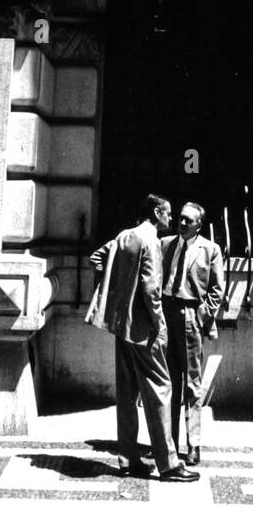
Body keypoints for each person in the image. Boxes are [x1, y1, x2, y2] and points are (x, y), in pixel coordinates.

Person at [87, 195, 199, 482]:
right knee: (161, 390)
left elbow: (97, 258)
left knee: (126, 396)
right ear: (156, 212)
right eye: (168, 213)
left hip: (122, 327)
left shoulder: (125, 235)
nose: (171, 219)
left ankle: (128, 460)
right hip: (144, 330)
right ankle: (170, 465)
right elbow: (151, 291)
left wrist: (113, 296)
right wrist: (159, 324)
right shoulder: (150, 240)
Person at [161, 201, 225, 466]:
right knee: (169, 382)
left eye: (189, 220)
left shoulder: (210, 250)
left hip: (191, 317)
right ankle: (171, 442)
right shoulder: (165, 244)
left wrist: (200, 317)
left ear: (200, 224)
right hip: (167, 314)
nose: (183, 223)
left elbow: (217, 289)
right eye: (181, 218)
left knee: (192, 385)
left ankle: (193, 443)